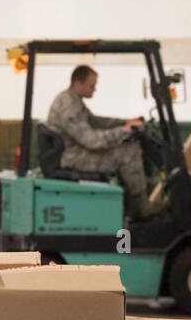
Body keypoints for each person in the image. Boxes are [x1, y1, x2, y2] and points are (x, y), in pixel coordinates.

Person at [46, 65, 160, 220]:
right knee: (128, 152)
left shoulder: (73, 99)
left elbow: (95, 122)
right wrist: (124, 131)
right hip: (73, 157)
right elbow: (91, 141)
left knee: (126, 146)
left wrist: (125, 122)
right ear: (78, 84)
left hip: (74, 152)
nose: (94, 89)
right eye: (91, 86)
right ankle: (142, 208)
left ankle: (131, 208)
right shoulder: (68, 106)